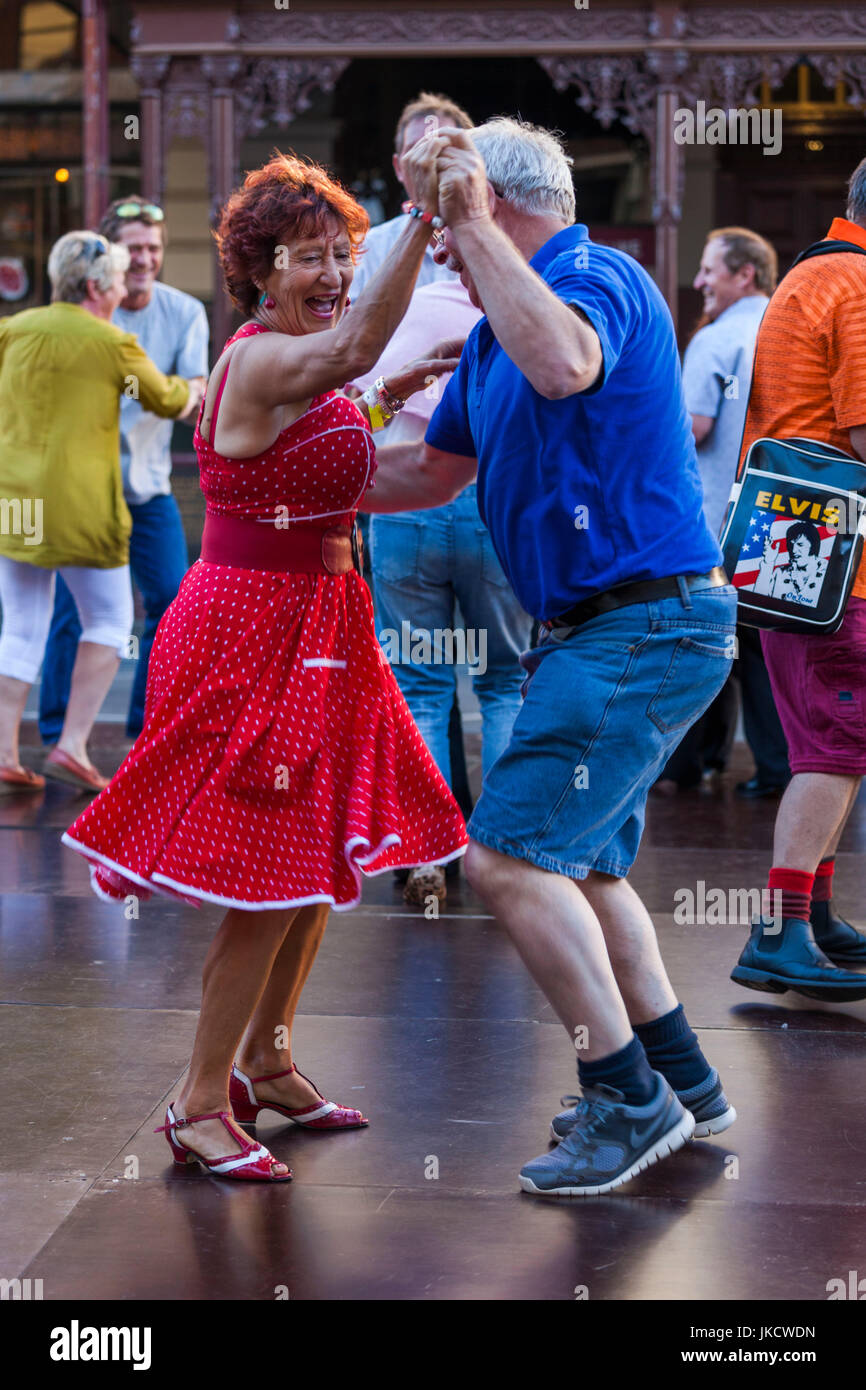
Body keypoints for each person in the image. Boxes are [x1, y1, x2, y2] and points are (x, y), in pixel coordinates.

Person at [62, 151, 467, 1183]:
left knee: (316, 864)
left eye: (344, 256)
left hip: (323, 617)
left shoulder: (302, 363)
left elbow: (366, 471)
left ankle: (267, 1062)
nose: (332, 275)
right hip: (252, 627)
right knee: (266, 874)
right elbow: (357, 343)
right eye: (311, 259)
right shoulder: (256, 360)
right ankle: (198, 1103)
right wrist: (426, 216)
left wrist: (444, 418)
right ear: (259, 269)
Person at [367, 117, 740, 1197]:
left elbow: (568, 362)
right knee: (585, 867)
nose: (433, 241)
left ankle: (626, 1099)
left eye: (442, 216)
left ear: (493, 200)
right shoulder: (492, 334)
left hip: (643, 621)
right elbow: (424, 476)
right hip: (609, 629)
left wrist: (468, 217)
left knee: (506, 859)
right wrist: (285, 470)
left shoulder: (595, 277)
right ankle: (683, 1082)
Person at [731, 157, 866, 1002]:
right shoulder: (859, 286)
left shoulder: (813, 272)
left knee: (831, 736)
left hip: (791, 542)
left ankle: (811, 914)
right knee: (839, 739)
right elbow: (862, 431)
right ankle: (781, 927)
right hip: (843, 559)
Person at [0, 231, 200, 794]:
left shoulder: (12, 331)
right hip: (81, 506)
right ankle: (71, 744)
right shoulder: (112, 342)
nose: (123, 286)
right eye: (115, 277)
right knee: (111, 622)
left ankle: (6, 753)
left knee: (20, 625)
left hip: (17, 503)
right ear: (94, 286)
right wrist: (202, 391)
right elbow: (166, 399)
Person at [39, 196, 209, 744]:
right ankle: (57, 735)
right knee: (70, 612)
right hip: (84, 490)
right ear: (109, 254)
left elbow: (197, 393)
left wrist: (174, 396)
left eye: (153, 249)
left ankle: (145, 729)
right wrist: (172, 394)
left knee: (170, 602)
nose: (144, 259)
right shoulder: (85, 315)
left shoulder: (183, 312)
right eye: (133, 249)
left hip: (146, 484)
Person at [657, 227, 790, 797]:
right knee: (765, 647)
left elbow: (694, 429)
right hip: (783, 518)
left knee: (701, 641)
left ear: (746, 274)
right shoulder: (794, 328)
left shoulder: (717, 340)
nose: (699, 281)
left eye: (710, 270)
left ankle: (691, 763)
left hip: (716, 521)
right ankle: (774, 765)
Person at [349, 91, 473, 297]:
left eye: (441, 148)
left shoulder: (498, 242)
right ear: (398, 168)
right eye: (415, 151)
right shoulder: (370, 249)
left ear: (469, 159)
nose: (426, 161)